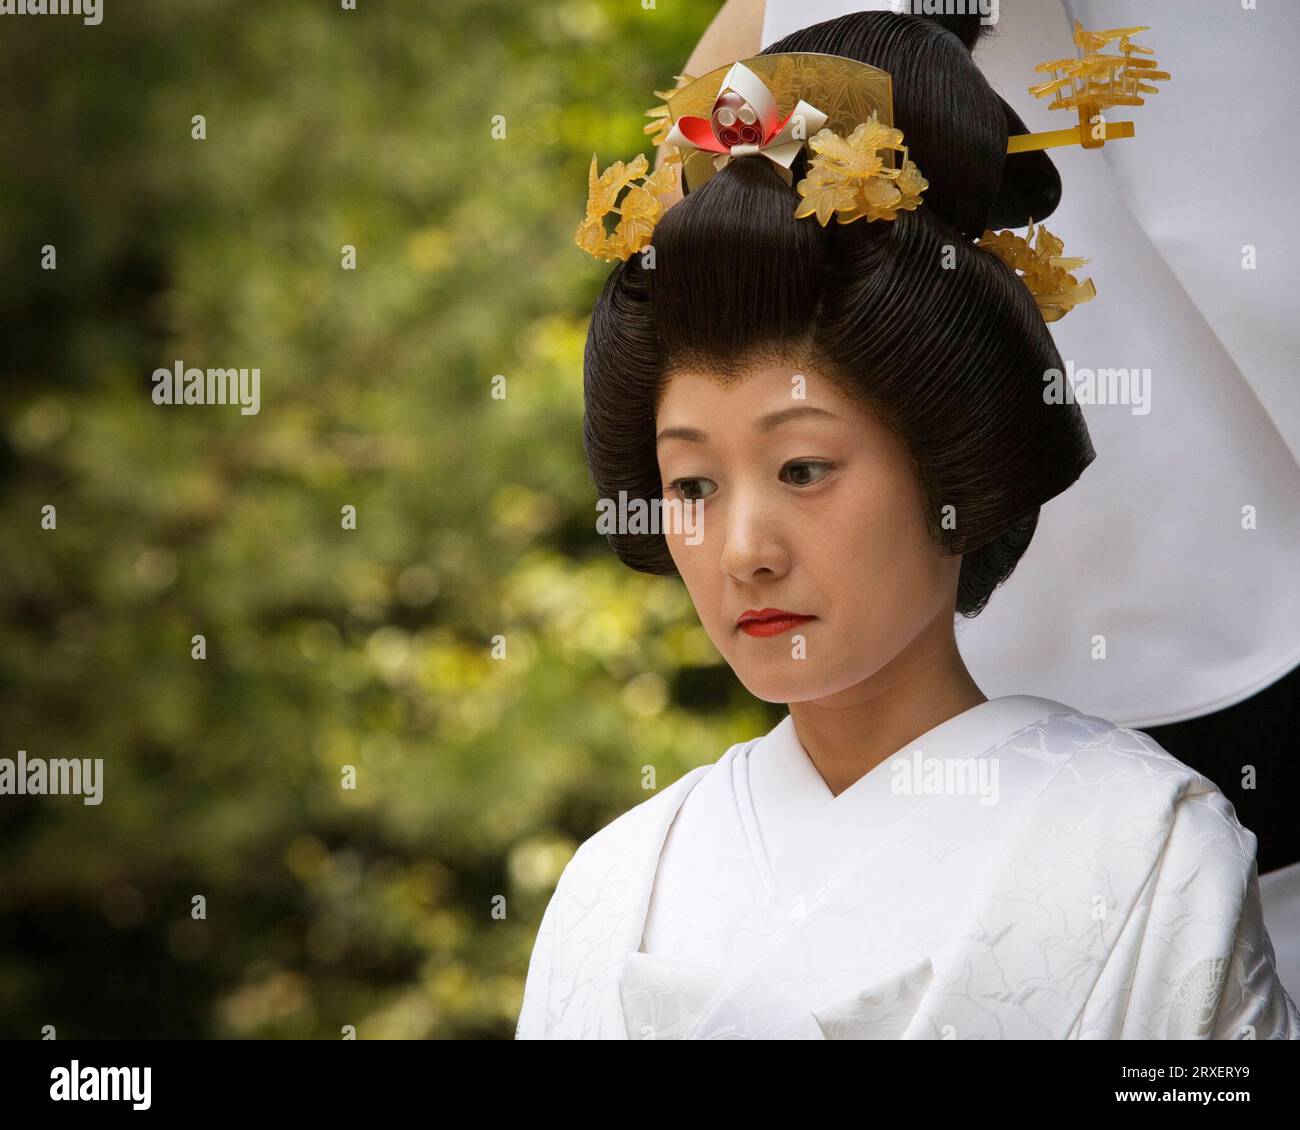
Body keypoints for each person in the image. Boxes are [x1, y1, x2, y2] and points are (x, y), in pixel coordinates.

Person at [517, 11, 1299, 1039]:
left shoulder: (1152, 860)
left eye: (803, 467)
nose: (745, 550)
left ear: (951, 456)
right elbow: (704, 121)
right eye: (692, 484)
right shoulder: (609, 885)